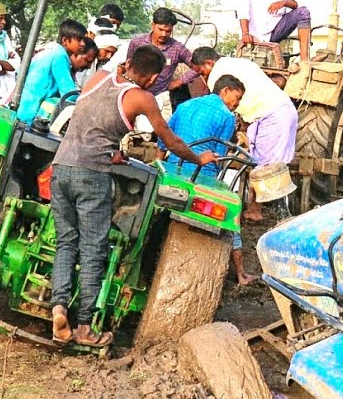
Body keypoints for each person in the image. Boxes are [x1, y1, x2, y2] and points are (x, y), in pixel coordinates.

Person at [48, 45, 218, 347]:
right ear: (153, 77)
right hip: (92, 176)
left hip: (61, 167)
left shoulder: (97, 78)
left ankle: (59, 308)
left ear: (129, 63)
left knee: (66, 242)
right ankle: (85, 327)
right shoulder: (141, 97)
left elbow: (89, 126)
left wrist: (113, 153)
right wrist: (198, 159)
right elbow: (170, 141)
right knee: (93, 249)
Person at [159, 75, 256, 285]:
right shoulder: (226, 116)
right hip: (203, 173)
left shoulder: (185, 105)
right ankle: (241, 274)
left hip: (174, 168)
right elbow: (219, 155)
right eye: (237, 97)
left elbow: (164, 135)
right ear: (226, 91)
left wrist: (159, 163)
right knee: (233, 216)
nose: (236, 103)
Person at [190, 47, 296, 221]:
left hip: (271, 115)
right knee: (261, 163)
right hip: (276, 111)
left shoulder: (218, 77)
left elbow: (222, 109)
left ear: (209, 63)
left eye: (201, 71)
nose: (203, 76)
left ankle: (278, 216)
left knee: (267, 167)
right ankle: (256, 208)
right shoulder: (240, 62)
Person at [16, 19, 90, 125]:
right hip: (31, 112)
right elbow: (68, 93)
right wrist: (86, 99)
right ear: (65, 40)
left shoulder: (50, 51)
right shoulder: (60, 56)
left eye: (84, 40)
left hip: (23, 106)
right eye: (79, 40)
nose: (83, 44)